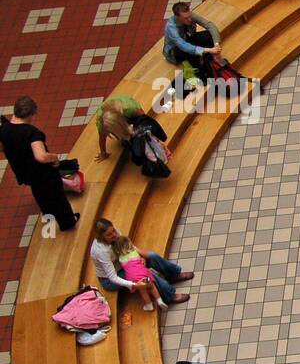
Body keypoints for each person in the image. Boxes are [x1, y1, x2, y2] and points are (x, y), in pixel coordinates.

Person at [0, 96, 78, 232]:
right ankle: (67, 222)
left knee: (41, 198)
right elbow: (41, 156)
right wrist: (54, 157)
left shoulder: (4, 130)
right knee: (58, 197)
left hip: (25, 173)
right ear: (30, 114)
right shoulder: (31, 133)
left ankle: (50, 223)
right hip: (43, 173)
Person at [91, 219, 192, 307]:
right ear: (101, 237)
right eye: (109, 234)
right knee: (147, 274)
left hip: (126, 263)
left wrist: (140, 257)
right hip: (112, 277)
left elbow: (130, 247)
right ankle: (170, 295)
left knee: (152, 256)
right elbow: (113, 277)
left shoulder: (115, 234)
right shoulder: (101, 252)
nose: (114, 234)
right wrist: (134, 284)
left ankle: (173, 274)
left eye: (113, 230)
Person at [162, 1, 223, 80]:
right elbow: (183, 46)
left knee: (208, 35)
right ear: (177, 17)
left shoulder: (188, 15)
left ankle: (207, 56)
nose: (190, 19)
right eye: (186, 18)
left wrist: (216, 44)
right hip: (176, 50)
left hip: (188, 38)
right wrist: (208, 50)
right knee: (189, 52)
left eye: (189, 16)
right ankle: (199, 71)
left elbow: (209, 25)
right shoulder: (171, 28)